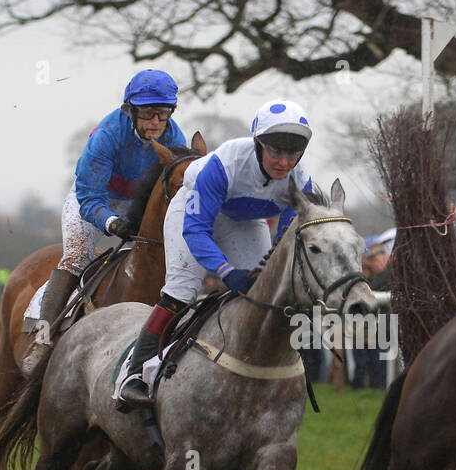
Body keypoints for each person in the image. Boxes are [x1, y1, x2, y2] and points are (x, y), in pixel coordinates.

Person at [113, 99, 316, 410]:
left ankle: (252, 372)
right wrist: (225, 271)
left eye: (293, 154)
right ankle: (134, 373)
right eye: (275, 151)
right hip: (194, 212)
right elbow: (196, 230)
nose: (284, 162)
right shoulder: (225, 164)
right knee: (182, 289)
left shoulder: (300, 179)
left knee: (262, 292)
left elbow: (287, 240)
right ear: (258, 143)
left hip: (243, 220)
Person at [22, 69, 186, 372]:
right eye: (148, 113)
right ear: (130, 110)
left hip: (139, 203)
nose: (155, 123)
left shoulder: (175, 137)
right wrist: (111, 223)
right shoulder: (107, 135)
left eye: (162, 114)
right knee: (76, 257)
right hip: (94, 199)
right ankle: (43, 340)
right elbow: (89, 197)